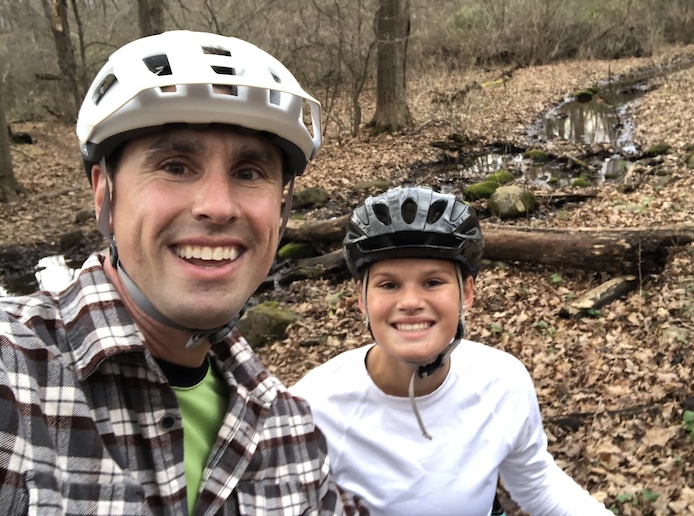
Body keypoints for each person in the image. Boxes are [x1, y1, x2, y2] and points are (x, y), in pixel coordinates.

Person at [0, 30, 367, 515]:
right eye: (175, 166)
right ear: (103, 194)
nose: (217, 207)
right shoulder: (19, 379)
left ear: (281, 211)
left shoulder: (288, 431)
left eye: (250, 172)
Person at [290, 186, 614, 516]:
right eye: (389, 284)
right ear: (362, 298)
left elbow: (538, 484)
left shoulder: (502, 382)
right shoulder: (311, 409)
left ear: (467, 293)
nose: (411, 303)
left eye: (433, 282)